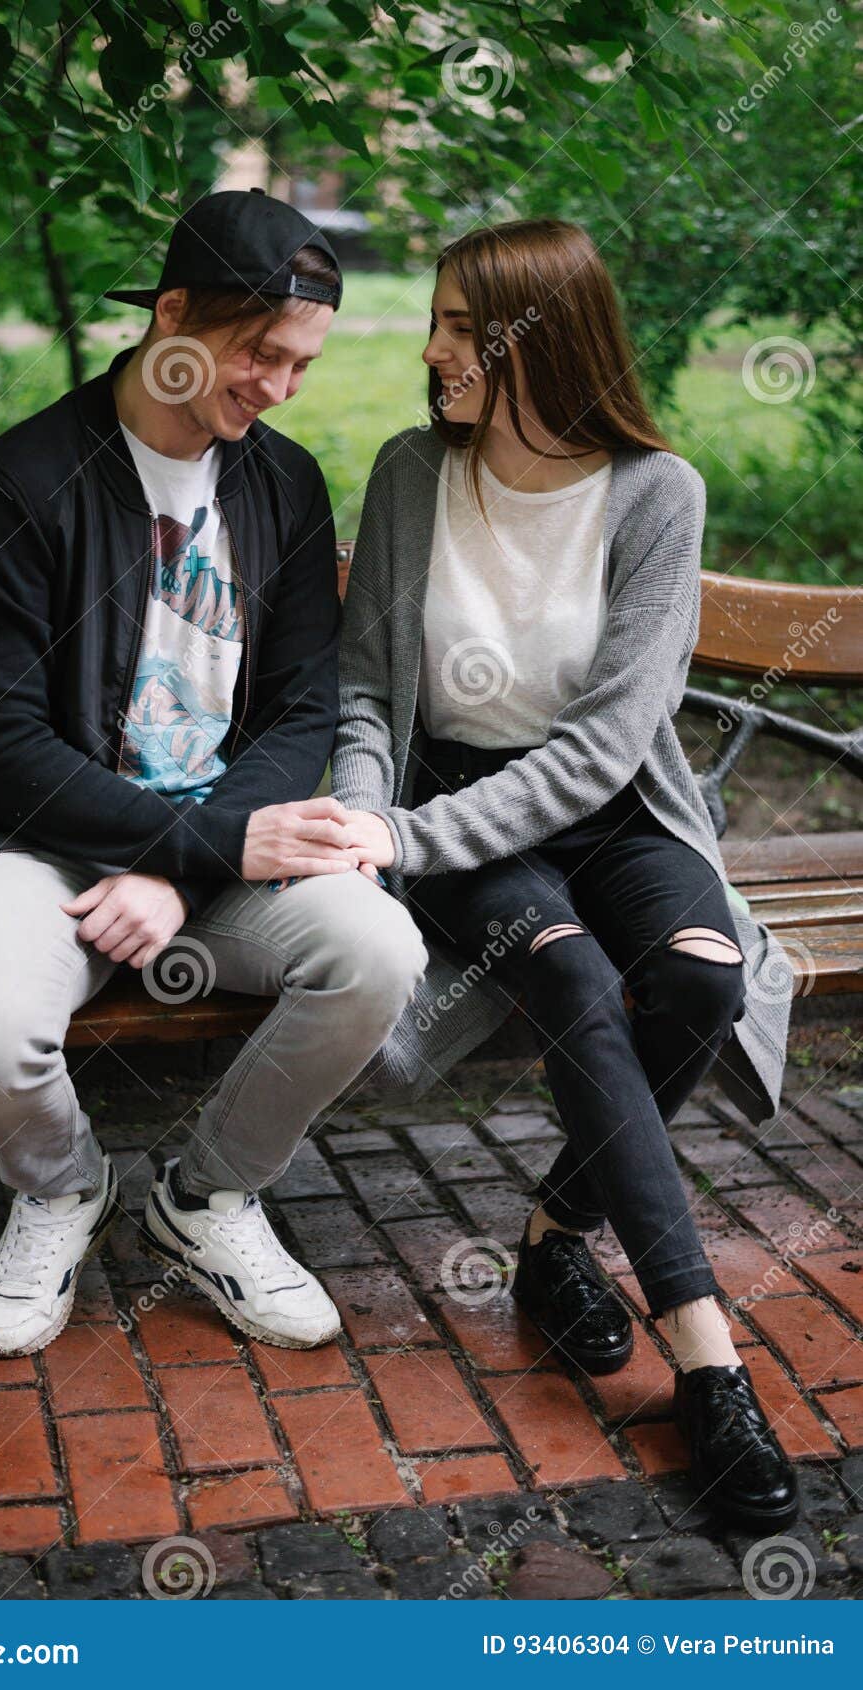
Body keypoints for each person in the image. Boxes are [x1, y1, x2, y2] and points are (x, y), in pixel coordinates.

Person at [329, 218, 798, 1530]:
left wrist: (404, 844)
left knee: (703, 980)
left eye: (461, 329)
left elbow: (601, 752)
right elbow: (368, 691)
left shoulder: (657, 493)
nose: (432, 351)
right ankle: (711, 1364)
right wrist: (380, 827)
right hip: (466, 811)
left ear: (541, 341)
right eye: (437, 322)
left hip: (613, 810)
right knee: (571, 977)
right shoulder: (414, 471)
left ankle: (551, 1242)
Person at [0, 188, 428, 1362]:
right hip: (39, 846)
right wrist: (181, 850)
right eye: (260, 353)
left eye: (300, 364)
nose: (278, 387)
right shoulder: (23, 480)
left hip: (221, 845)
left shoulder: (283, 485)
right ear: (176, 313)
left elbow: (305, 708)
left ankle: (207, 1198)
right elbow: (2, 743)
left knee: (379, 952)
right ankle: (59, 1186)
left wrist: (187, 872)